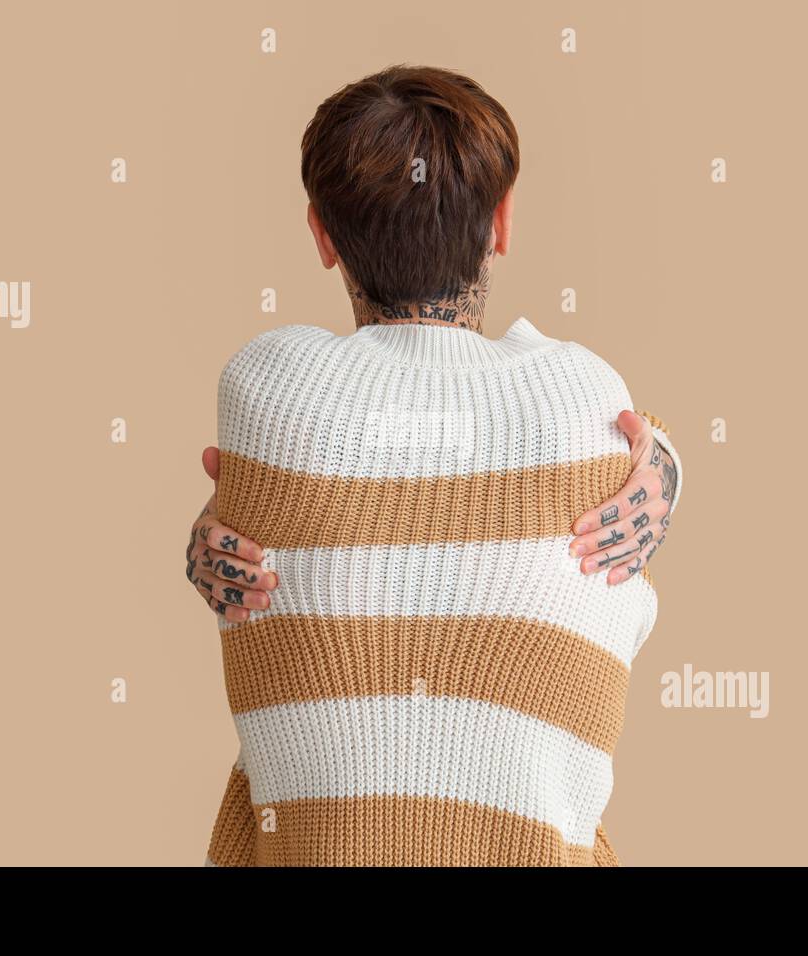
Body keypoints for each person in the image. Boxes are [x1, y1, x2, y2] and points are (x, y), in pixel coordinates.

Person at [186, 65, 682, 866]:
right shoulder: (583, 400)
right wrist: (663, 455)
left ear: (322, 235)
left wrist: (212, 523)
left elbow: (362, 486)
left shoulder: (265, 388)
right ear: (502, 222)